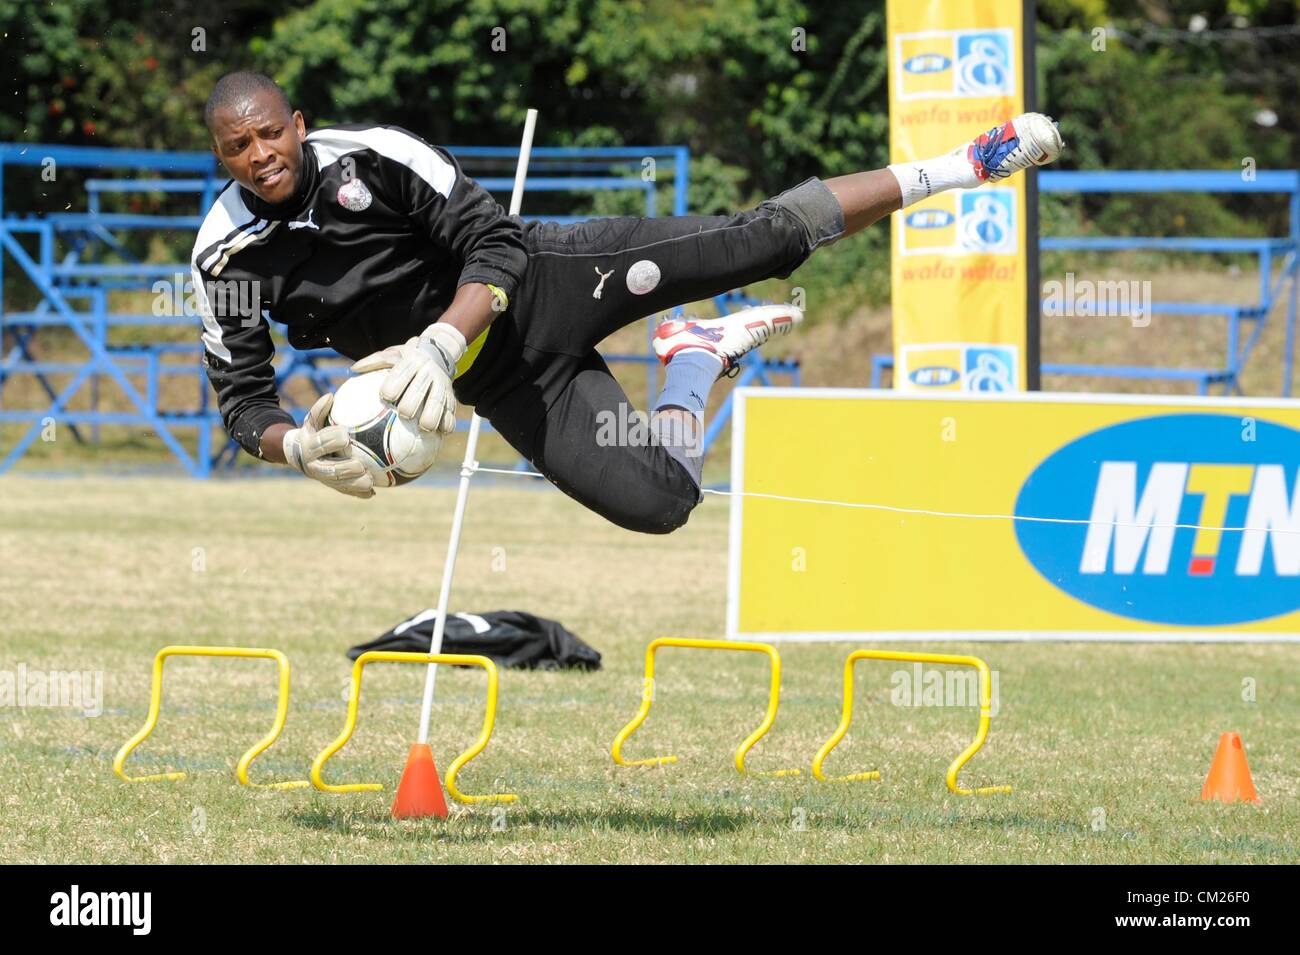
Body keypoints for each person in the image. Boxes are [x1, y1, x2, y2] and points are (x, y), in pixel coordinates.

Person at [195, 71, 1061, 533]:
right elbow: (242, 400)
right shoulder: (225, 253)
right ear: (221, 155)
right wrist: (295, 449)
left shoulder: (378, 156)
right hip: (507, 386)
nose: (260, 152)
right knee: (662, 507)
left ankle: (965, 163)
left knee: (757, 240)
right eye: (239, 145)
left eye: (271, 131)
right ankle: (694, 361)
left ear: (298, 122)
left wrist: (435, 344)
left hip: (554, 278)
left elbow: (494, 243)